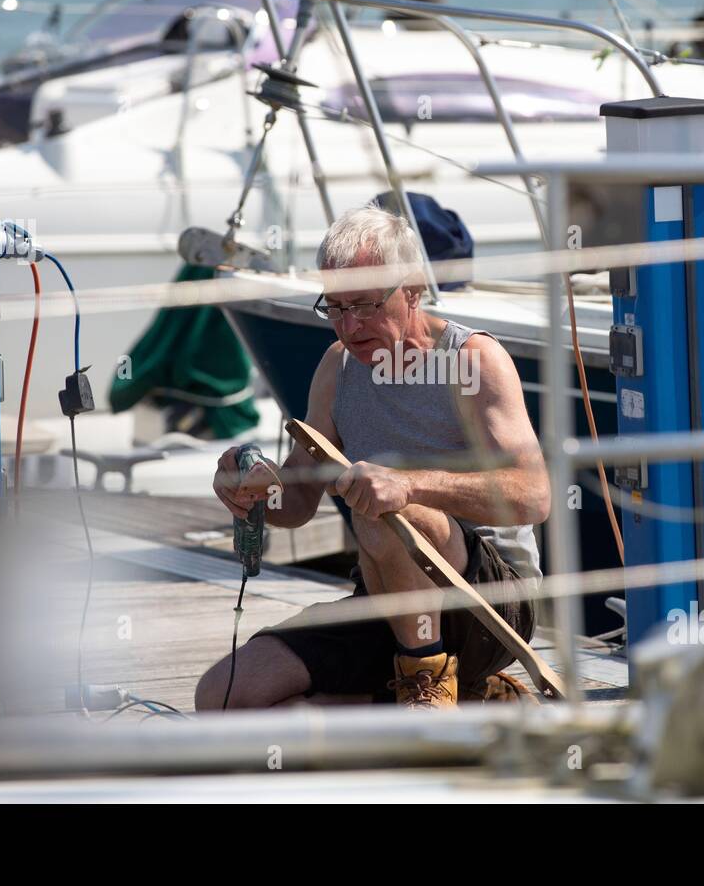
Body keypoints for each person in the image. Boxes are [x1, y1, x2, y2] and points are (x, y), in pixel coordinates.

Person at [194, 205, 549, 709]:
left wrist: (407, 486)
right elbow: (294, 501)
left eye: (364, 305)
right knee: (225, 698)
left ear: (412, 292)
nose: (348, 325)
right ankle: (467, 696)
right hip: (390, 602)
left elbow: (533, 497)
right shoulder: (337, 368)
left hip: (492, 606)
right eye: (334, 308)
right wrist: (252, 487)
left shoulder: (473, 361)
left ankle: (425, 685)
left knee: (380, 504)